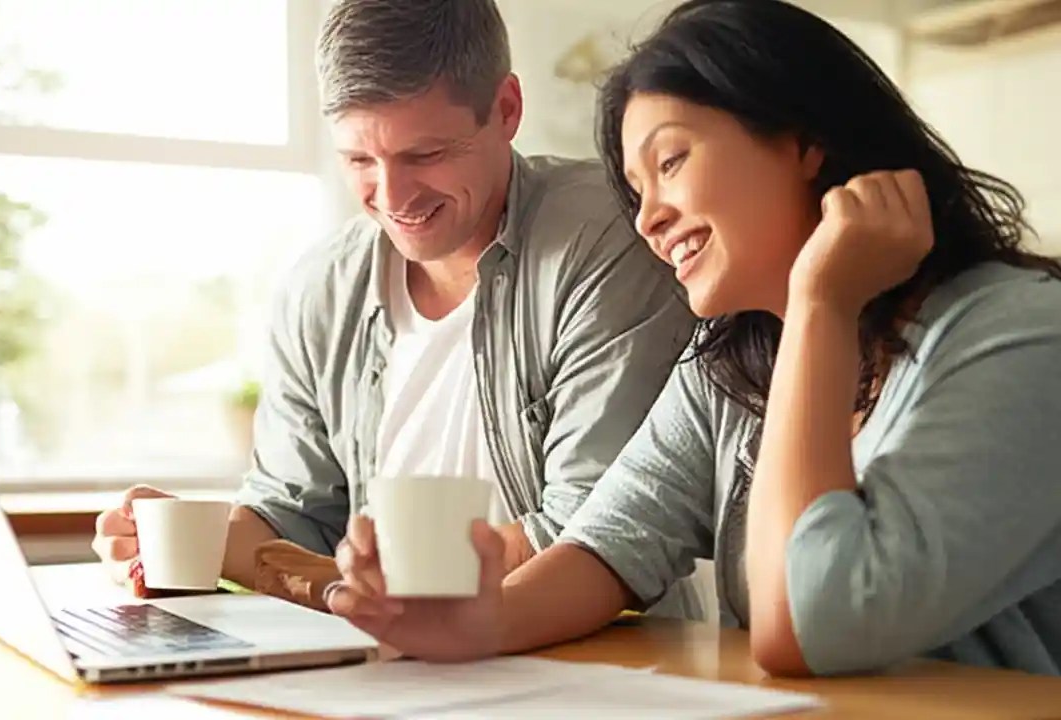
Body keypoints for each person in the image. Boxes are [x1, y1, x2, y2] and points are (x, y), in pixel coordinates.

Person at [329, 0, 1061, 677]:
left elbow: (807, 626)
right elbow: (609, 543)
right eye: (635, 188)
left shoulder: (1021, 338)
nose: (647, 219)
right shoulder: (732, 362)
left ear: (804, 138)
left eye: (671, 162)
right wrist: (465, 623)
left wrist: (821, 303)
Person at [91, 0, 696, 612]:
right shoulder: (322, 288)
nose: (393, 196)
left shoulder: (606, 237)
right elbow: (292, 513)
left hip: (597, 667)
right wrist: (186, 544)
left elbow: (589, 531)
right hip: (384, 669)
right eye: (358, 160)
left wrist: (351, 584)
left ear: (507, 110)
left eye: (424, 155)